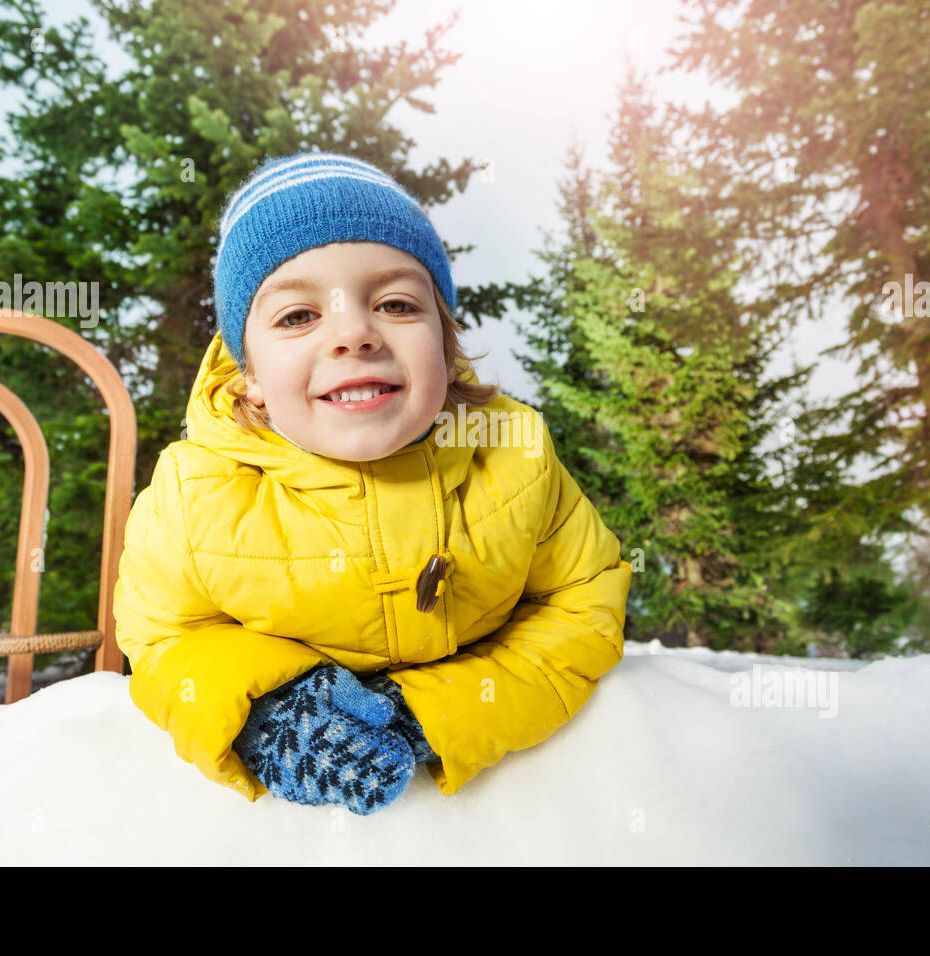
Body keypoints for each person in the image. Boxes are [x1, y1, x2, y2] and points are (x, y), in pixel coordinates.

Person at [112, 151, 632, 814]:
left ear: (445, 347)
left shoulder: (515, 456)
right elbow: (163, 641)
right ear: (250, 377)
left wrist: (431, 711)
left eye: (394, 303)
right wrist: (263, 709)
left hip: (497, 803)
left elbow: (584, 602)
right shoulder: (197, 493)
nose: (354, 332)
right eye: (298, 316)